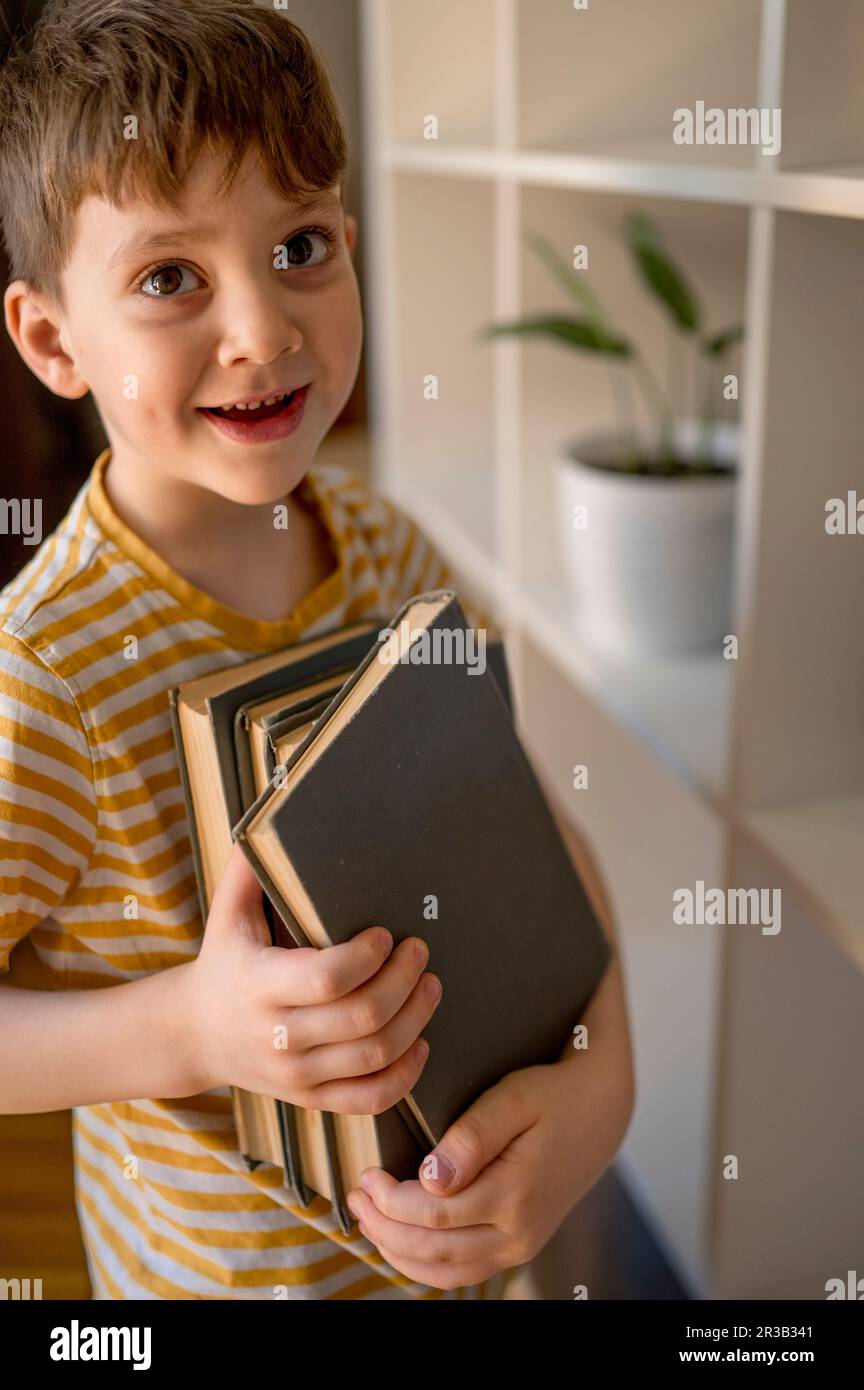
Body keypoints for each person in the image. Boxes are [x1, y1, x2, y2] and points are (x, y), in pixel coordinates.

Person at [0, 0, 635, 1300]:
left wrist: (603, 1084)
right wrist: (189, 1027)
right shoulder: (47, 671)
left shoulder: (392, 548)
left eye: (300, 246)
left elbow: (535, 834)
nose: (263, 330)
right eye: (170, 277)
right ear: (56, 342)